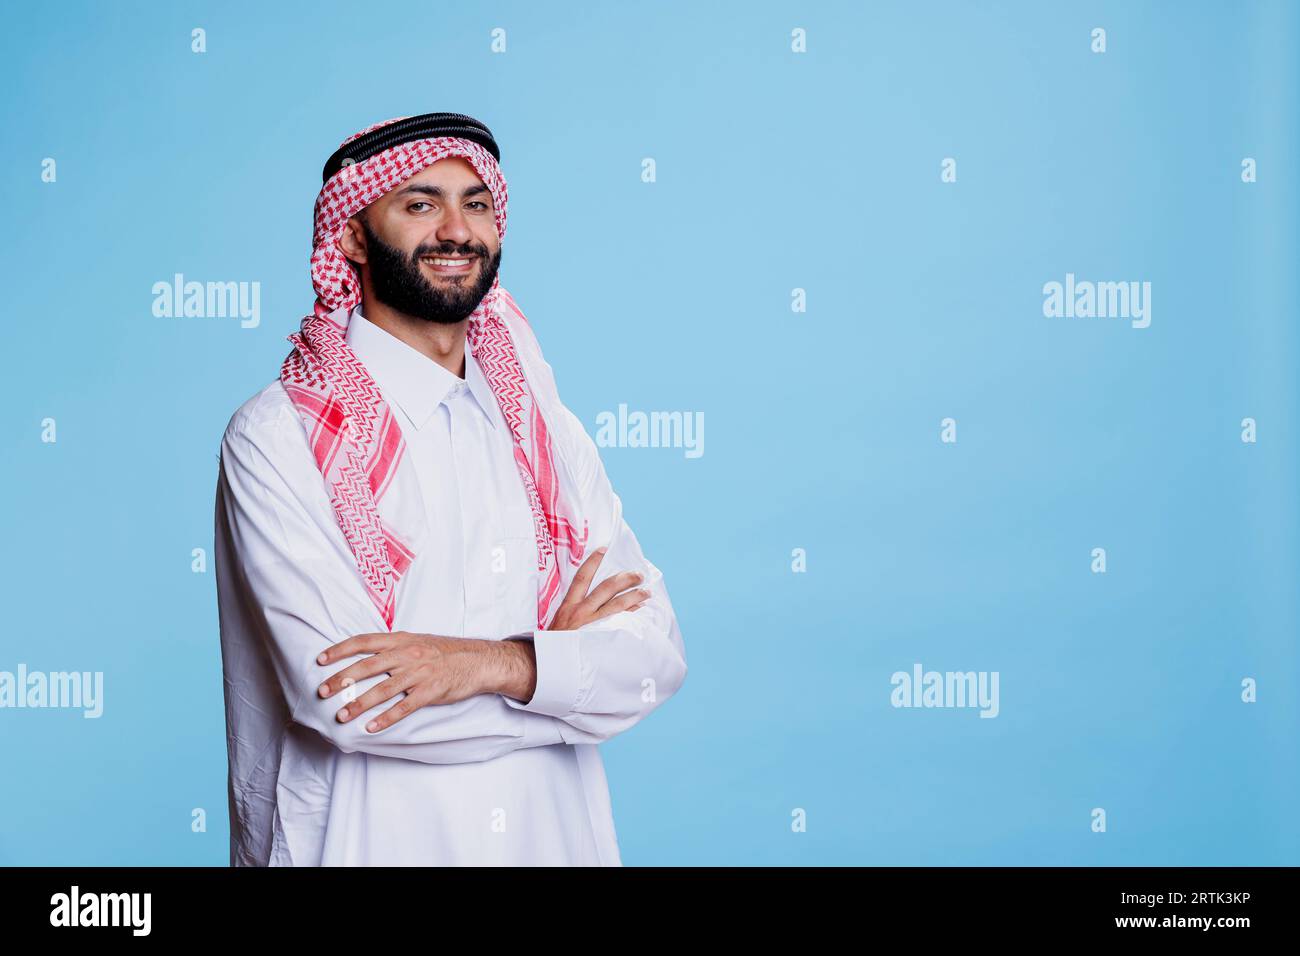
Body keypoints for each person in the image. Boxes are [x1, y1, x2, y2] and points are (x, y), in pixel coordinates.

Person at [213, 112, 688, 866]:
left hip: (553, 839)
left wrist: (489, 664)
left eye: (476, 204)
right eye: (420, 203)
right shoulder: (278, 436)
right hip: (364, 844)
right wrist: (563, 680)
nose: (456, 230)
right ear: (352, 237)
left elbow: (654, 658)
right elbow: (348, 703)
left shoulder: (546, 429)